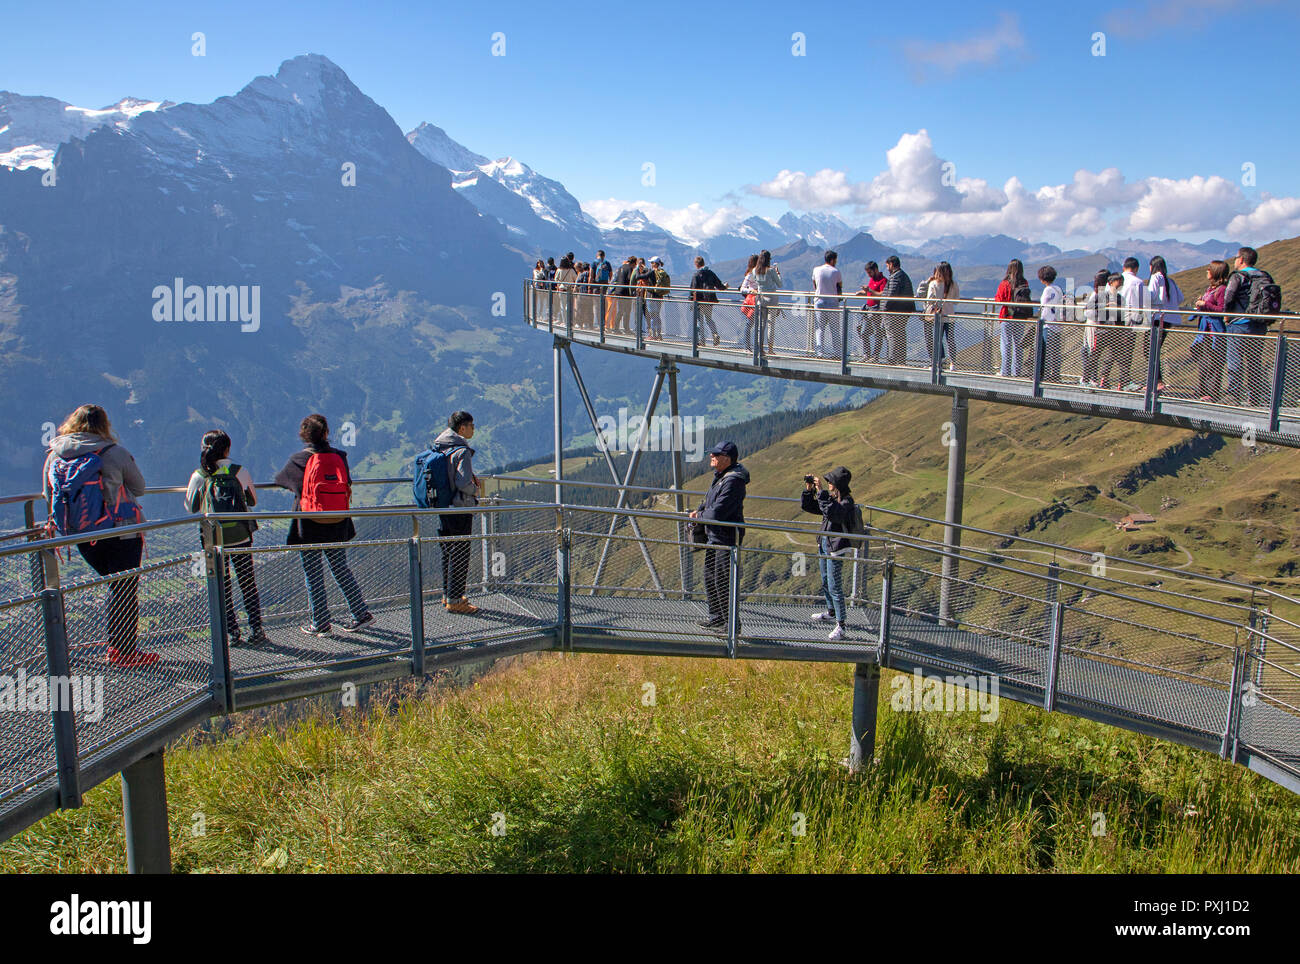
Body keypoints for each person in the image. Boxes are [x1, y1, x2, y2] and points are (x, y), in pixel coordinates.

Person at [43, 404, 154, 667]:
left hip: (82, 536)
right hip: (122, 531)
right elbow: (139, 487)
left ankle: (119, 648)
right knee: (125, 588)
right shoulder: (113, 452)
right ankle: (124, 651)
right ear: (104, 425)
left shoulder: (55, 456)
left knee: (114, 587)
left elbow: (50, 496)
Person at [274, 414, 373, 636]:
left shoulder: (298, 460)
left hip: (308, 525)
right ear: (327, 433)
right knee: (340, 568)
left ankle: (320, 623)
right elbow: (346, 482)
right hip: (337, 521)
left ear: (304, 435)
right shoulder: (340, 456)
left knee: (313, 574)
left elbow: (281, 479)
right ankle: (361, 613)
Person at [184, 430, 267, 647]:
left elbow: (191, 507)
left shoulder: (200, 475)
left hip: (214, 539)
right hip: (241, 535)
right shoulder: (239, 471)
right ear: (228, 448)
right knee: (248, 582)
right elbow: (253, 500)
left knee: (222, 584)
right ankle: (257, 628)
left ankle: (232, 632)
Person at [689, 441, 748, 635]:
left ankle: (731, 625)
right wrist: (700, 512)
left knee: (724, 581)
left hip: (727, 539)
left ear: (726, 459)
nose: (711, 457)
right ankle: (717, 618)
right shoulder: (722, 477)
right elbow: (710, 505)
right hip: (715, 536)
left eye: (715, 454)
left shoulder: (733, 481)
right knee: (711, 578)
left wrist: (700, 517)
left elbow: (717, 514)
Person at [432, 411, 482, 614]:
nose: (473, 429)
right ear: (462, 428)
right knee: (461, 552)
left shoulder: (440, 447)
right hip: (460, 508)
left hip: (443, 506)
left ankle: (448, 594)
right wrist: (476, 490)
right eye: (471, 425)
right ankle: (456, 600)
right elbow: (462, 482)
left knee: (448, 551)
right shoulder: (461, 451)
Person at [802, 466, 856, 641]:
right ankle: (831, 612)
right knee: (826, 580)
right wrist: (809, 491)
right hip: (825, 543)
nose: (828, 484)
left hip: (836, 547)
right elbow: (811, 507)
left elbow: (834, 515)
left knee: (835, 585)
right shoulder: (833, 499)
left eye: (830, 481)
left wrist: (822, 493)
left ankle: (841, 625)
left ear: (838, 484)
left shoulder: (846, 503)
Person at [1222, 246, 1278, 405]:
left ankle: (1233, 395)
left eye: (1235, 258)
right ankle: (1254, 396)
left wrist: (1226, 315)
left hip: (1239, 324)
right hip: (1259, 325)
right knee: (1254, 361)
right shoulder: (1264, 276)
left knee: (1235, 360)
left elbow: (1229, 296)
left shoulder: (1238, 276)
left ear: (1241, 259)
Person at [1192, 259, 1230, 402]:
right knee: (1203, 361)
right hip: (1205, 331)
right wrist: (1201, 305)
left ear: (1216, 271)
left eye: (1209, 269)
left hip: (1214, 331)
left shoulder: (1221, 290)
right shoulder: (1211, 289)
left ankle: (1212, 392)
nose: (1207, 271)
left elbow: (1221, 309)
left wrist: (1205, 304)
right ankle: (1202, 390)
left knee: (1213, 361)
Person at [1146, 255, 1182, 393]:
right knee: (1153, 349)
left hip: (1158, 318)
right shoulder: (1170, 280)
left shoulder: (1156, 278)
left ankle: (1157, 382)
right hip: (1169, 318)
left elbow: (1152, 296)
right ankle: (1157, 381)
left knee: (1149, 349)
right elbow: (1180, 298)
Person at [1117, 256, 1149, 392]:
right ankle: (1124, 381)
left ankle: (1103, 378)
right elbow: (1143, 302)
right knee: (1127, 352)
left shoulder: (1114, 280)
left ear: (1124, 267)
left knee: (1113, 352)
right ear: (1136, 269)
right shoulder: (1138, 282)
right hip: (1130, 321)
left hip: (1113, 320)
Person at [994, 259, 1029, 377]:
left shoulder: (1005, 283)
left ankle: (1005, 371)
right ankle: (1016, 372)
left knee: (1006, 345)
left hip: (1007, 316)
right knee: (1018, 345)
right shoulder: (1024, 282)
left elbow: (999, 299)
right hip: (1020, 317)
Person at [1079, 268, 1112, 388]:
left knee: (1092, 351)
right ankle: (1090, 378)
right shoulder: (1100, 294)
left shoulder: (1098, 293)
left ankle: (1091, 378)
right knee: (1091, 351)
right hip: (1095, 324)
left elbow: (1088, 310)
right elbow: (1090, 309)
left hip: (1093, 324)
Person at [923, 261, 960, 369]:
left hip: (938, 315)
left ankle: (938, 362)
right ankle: (953, 363)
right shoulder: (954, 284)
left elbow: (929, 300)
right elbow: (956, 301)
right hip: (950, 315)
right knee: (951, 340)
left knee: (938, 340)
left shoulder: (934, 284)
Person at [1095, 273, 1127, 390]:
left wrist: (1123, 331)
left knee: (1119, 358)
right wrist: (1106, 305)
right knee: (1095, 355)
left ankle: (1121, 382)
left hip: (1116, 332)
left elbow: (1122, 316)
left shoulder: (1120, 298)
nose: (1121, 284)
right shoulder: (1103, 296)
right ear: (1111, 283)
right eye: (1118, 281)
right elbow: (1092, 309)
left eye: (1121, 282)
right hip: (1103, 331)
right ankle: (1092, 379)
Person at [881, 255, 915, 366]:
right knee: (899, 335)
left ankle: (892, 359)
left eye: (887, 266)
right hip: (902, 311)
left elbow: (891, 295)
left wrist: (884, 308)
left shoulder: (896, 276)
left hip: (894, 312)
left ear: (891, 264)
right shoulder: (901, 275)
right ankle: (900, 360)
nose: (887, 268)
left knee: (892, 335)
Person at [689, 255, 728, 346]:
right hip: (710, 300)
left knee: (700, 321)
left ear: (696, 264)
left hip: (700, 301)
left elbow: (693, 290)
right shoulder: (711, 273)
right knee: (709, 319)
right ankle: (715, 334)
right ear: (703, 263)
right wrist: (725, 287)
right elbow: (719, 285)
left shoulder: (696, 275)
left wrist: (692, 301)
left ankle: (702, 341)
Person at [811, 250, 843, 358]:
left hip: (819, 301)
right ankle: (837, 353)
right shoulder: (836, 271)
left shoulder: (816, 269)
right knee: (834, 329)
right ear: (833, 260)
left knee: (819, 329)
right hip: (832, 302)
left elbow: (814, 284)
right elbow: (839, 286)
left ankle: (819, 353)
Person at [856, 261, 888, 361]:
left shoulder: (883, 280)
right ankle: (867, 354)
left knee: (877, 333)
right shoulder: (872, 280)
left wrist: (869, 290)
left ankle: (875, 356)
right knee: (864, 332)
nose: (869, 275)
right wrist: (862, 293)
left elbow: (882, 294)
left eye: (870, 272)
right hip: (868, 309)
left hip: (876, 309)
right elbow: (871, 293)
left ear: (876, 270)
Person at [1038, 265, 1064, 382]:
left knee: (1047, 351)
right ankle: (1056, 374)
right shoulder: (1058, 288)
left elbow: (1044, 306)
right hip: (1058, 323)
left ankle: (1047, 375)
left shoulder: (1047, 290)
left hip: (1048, 324)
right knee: (1056, 351)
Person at [753, 250, 782, 354]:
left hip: (760, 299)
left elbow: (756, 283)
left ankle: (759, 348)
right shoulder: (770, 271)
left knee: (761, 324)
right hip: (772, 299)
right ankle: (770, 349)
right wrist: (778, 274)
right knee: (771, 325)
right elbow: (779, 284)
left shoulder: (754, 271)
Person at [740, 254, 761, 350]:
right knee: (750, 323)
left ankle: (754, 347)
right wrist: (751, 291)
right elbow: (742, 288)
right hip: (753, 301)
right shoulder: (750, 275)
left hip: (760, 300)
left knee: (756, 324)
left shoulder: (760, 273)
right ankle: (747, 346)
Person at [646, 256, 670, 339]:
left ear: (654, 264)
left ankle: (653, 334)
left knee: (652, 316)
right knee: (657, 315)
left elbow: (641, 278)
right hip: (659, 296)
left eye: (651, 262)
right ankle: (659, 334)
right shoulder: (662, 272)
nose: (650, 264)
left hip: (651, 296)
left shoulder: (652, 272)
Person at [611, 255, 636, 332]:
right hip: (626, 292)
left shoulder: (620, 267)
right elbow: (629, 279)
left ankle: (616, 328)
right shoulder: (630, 269)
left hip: (618, 291)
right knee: (627, 311)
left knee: (620, 310)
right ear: (633, 263)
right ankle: (626, 328)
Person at [553, 255, 578, 330]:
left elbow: (556, 279)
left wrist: (560, 283)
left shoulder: (559, 270)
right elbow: (576, 278)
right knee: (569, 306)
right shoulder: (571, 270)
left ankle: (565, 322)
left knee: (562, 306)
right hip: (570, 289)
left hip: (561, 289)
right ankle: (570, 320)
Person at [591, 250, 613, 329]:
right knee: (604, 304)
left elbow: (591, 275)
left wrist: (590, 287)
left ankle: (599, 324)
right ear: (604, 255)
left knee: (597, 305)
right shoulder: (607, 263)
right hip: (605, 286)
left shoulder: (594, 263)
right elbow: (611, 276)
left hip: (596, 287)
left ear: (597, 255)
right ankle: (604, 323)